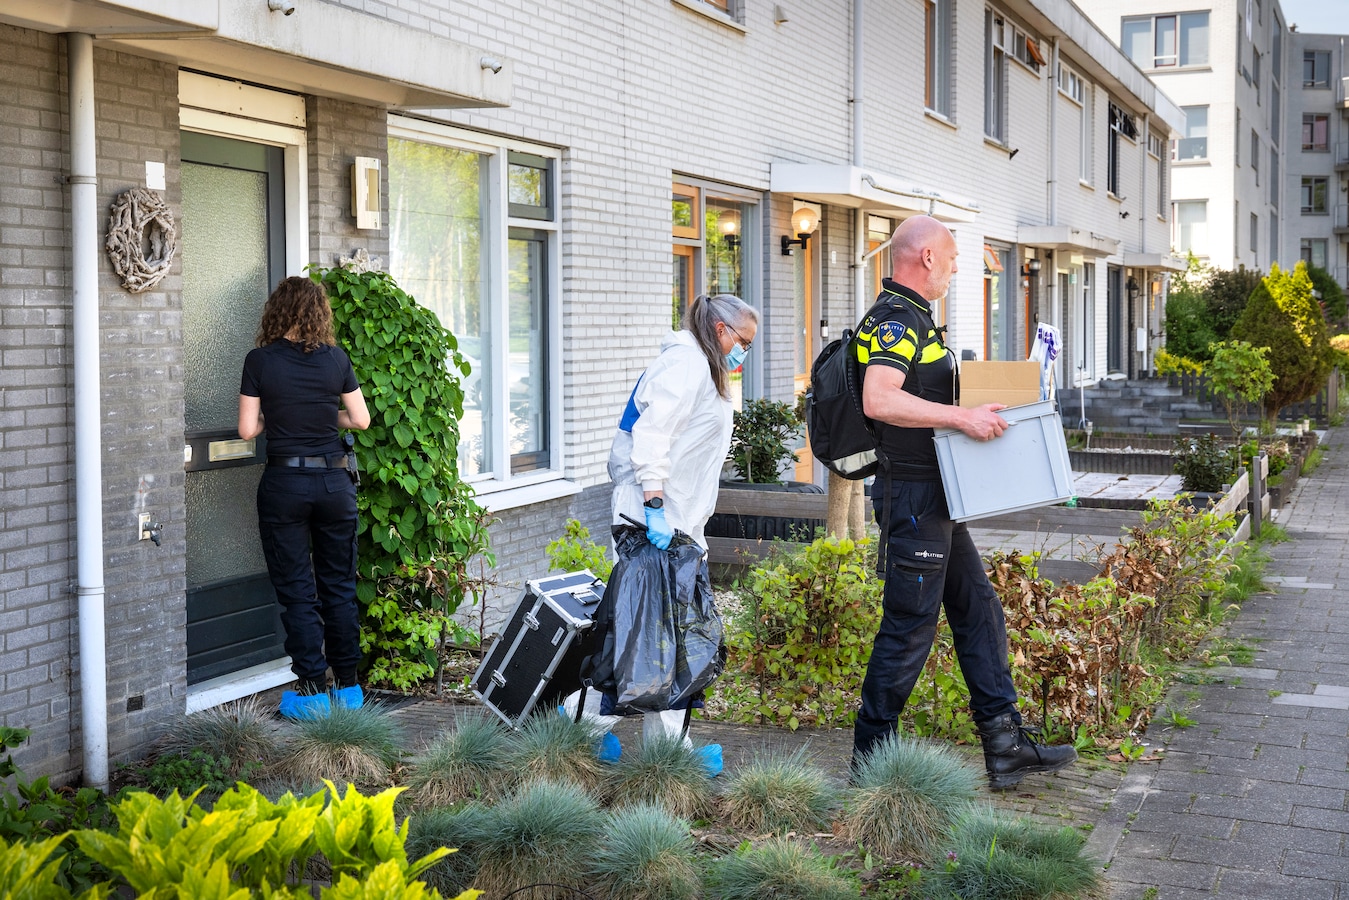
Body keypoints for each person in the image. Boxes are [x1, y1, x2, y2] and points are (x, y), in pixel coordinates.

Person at [851, 215, 1076, 790]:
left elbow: (922, 395)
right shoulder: (895, 320)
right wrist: (961, 418)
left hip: (937, 496)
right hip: (914, 498)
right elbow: (880, 399)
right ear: (926, 257)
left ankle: (1004, 746)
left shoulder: (919, 321)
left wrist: (984, 404)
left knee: (977, 609)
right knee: (908, 629)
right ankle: (870, 762)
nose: (956, 266)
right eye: (952, 257)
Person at [568, 293, 759, 772]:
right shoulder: (685, 367)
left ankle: (593, 729)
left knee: (661, 638)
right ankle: (594, 729)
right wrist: (654, 507)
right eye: (744, 342)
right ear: (720, 331)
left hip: (673, 523)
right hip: (654, 523)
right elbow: (651, 438)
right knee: (664, 638)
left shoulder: (700, 367)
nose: (744, 354)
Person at [238, 276, 371, 720]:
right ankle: (349, 690)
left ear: (278, 311)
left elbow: (247, 429)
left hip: (286, 486)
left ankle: (313, 692)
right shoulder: (336, 359)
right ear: (319, 313)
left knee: (298, 591)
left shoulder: (259, 361)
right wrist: (321, 415)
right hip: (335, 486)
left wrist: (281, 415)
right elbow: (361, 420)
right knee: (339, 587)